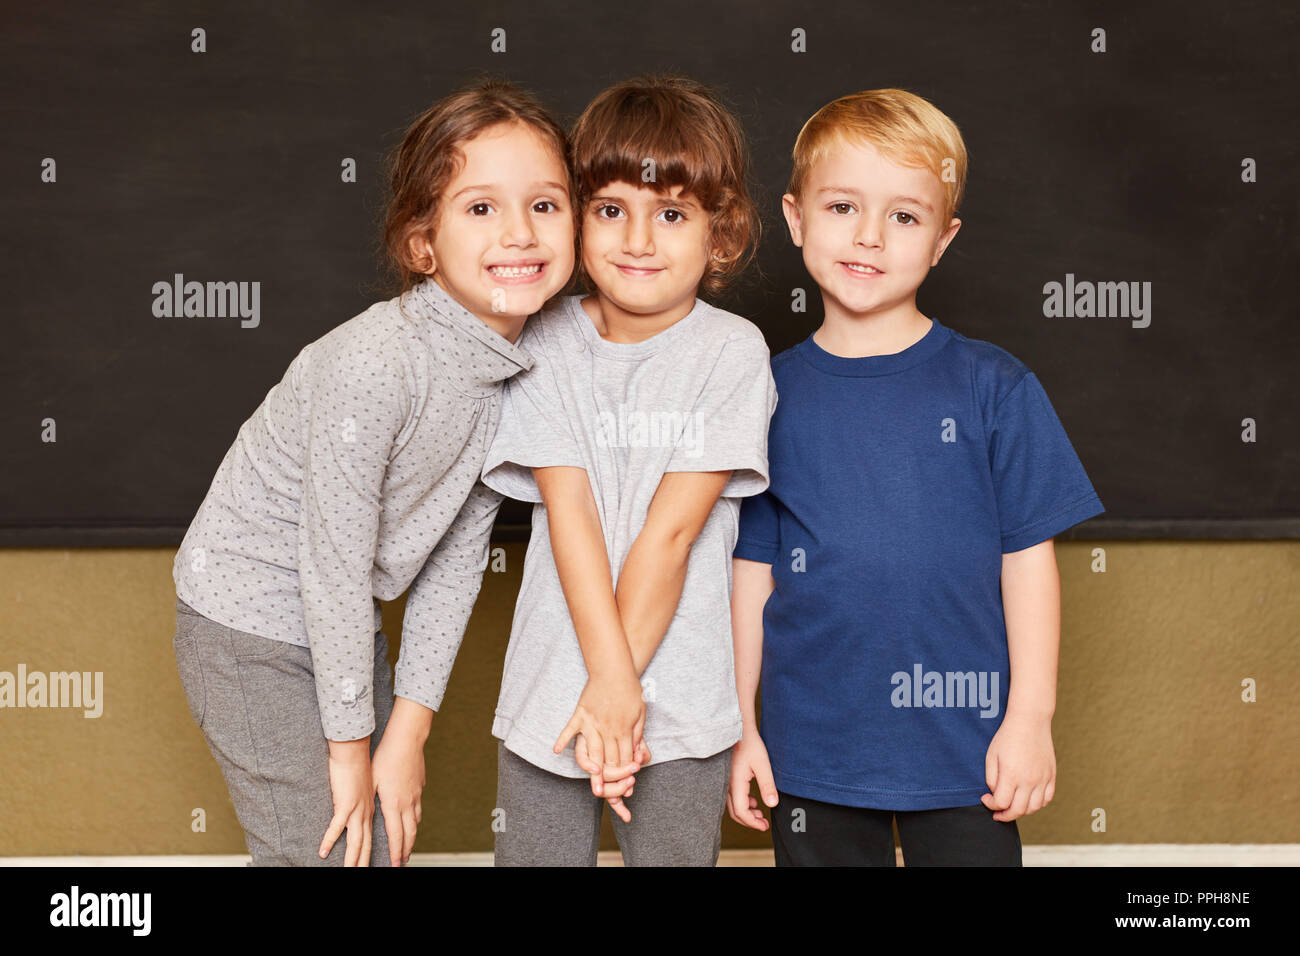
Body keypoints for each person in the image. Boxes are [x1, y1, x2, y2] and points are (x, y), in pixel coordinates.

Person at [171, 80, 576, 866]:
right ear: (423, 243)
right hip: (247, 623)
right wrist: (351, 747)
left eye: (546, 205)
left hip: (341, 625)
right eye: (481, 208)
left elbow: (457, 561)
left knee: (380, 843)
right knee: (327, 847)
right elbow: (331, 566)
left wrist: (407, 736)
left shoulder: (515, 367)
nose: (519, 234)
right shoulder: (377, 364)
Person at [727, 88, 1104, 866]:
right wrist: (742, 725)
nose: (869, 237)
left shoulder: (993, 386)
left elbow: (1027, 561)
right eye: (842, 207)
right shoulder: (762, 394)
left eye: (904, 216)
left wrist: (1030, 718)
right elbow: (750, 571)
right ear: (796, 218)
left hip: (966, 750)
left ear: (942, 239)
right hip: (816, 750)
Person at [480, 75, 777, 866]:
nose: (638, 241)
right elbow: (570, 515)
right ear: (578, 216)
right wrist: (603, 690)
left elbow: (671, 535)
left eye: (672, 215)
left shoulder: (732, 353)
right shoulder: (541, 340)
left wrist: (622, 693)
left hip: (679, 702)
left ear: (722, 235)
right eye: (611, 211)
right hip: (553, 689)